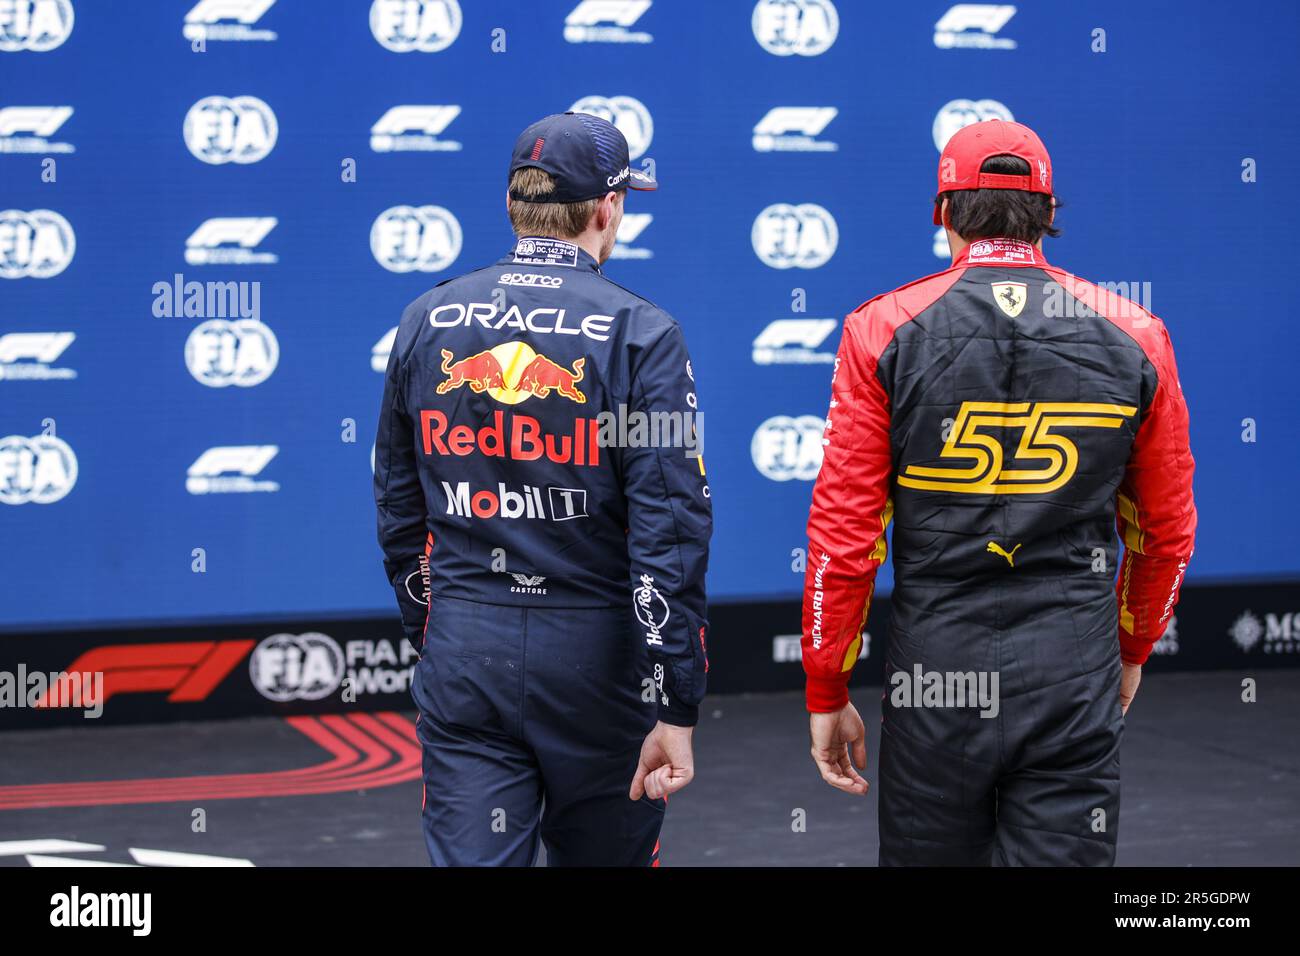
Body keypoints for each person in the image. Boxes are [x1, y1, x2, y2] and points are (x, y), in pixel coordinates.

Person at [801, 119, 1196, 866]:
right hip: (1073, 667)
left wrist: (827, 684)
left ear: (941, 212)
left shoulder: (880, 329)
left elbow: (844, 537)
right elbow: (1166, 526)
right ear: (1049, 215)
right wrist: (1134, 645)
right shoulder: (1137, 332)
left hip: (935, 671)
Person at [374, 111, 711, 866]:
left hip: (465, 648)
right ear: (609, 207)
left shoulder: (426, 319)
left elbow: (398, 502)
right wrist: (674, 696)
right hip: (596, 657)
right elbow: (672, 528)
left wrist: (435, 626)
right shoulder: (640, 333)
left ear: (512, 206)